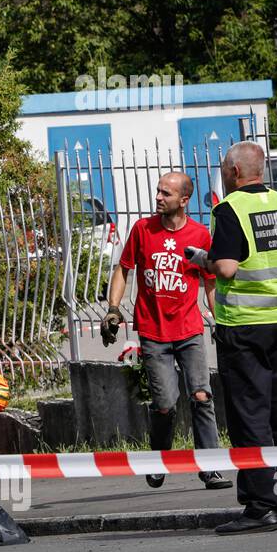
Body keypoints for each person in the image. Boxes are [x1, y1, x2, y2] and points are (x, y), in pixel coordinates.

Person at [183, 142, 277, 534]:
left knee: (250, 416)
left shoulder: (230, 209)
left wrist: (200, 258)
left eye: (222, 168)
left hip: (245, 327)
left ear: (236, 171)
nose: (221, 174)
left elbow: (227, 268)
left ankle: (260, 506)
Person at [101, 171, 229, 490]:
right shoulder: (143, 230)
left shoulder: (200, 236)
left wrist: (223, 323)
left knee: (201, 395)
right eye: (158, 191)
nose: (158, 198)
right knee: (165, 404)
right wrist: (113, 308)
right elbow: (123, 269)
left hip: (188, 329)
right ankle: (158, 459)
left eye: (166, 194)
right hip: (153, 332)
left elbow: (210, 283)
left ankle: (210, 466)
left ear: (183, 200)